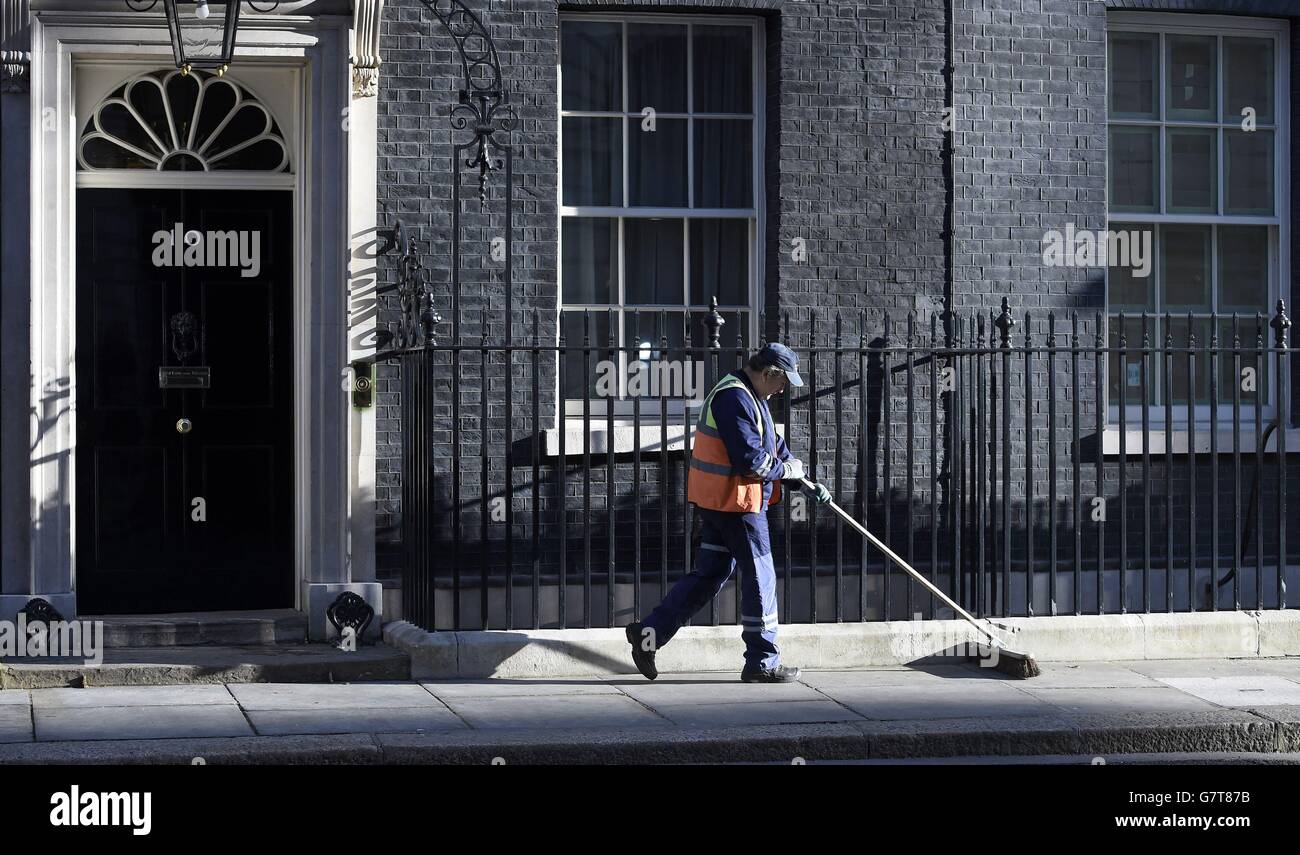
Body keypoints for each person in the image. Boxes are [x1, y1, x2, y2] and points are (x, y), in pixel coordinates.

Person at [626, 343, 832, 683]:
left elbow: (772, 446)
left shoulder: (751, 397)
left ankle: (648, 633)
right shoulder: (735, 398)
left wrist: (803, 480)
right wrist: (787, 472)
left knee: (709, 575)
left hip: (721, 504)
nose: (783, 390)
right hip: (739, 505)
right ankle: (762, 661)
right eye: (783, 382)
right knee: (760, 576)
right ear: (769, 374)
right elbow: (751, 460)